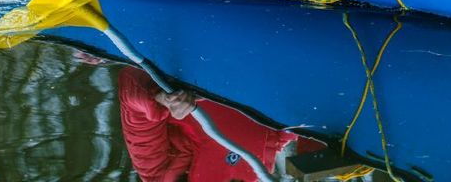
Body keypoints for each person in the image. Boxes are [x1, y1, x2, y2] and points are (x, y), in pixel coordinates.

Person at [117, 65, 322, 181]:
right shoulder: (258, 174)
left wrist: (160, 99)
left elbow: (130, 84)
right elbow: (275, 134)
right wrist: (310, 127)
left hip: (192, 58)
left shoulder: (159, 174)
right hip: (264, 62)